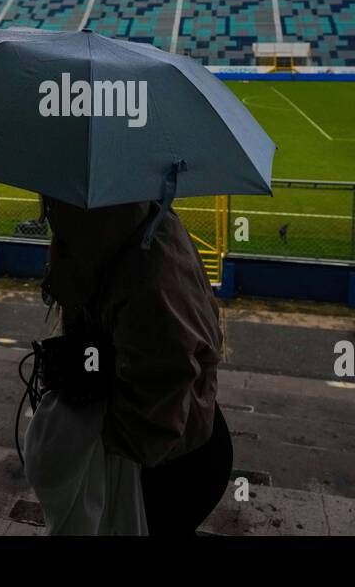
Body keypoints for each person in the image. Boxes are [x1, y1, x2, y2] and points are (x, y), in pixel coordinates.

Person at [24, 196, 230, 535]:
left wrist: (78, 435)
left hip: (173, 467)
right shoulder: (141, 227)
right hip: (190, 442)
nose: (50, 212)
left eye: (56, 206)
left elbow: (155, 424)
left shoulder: (140, 272)